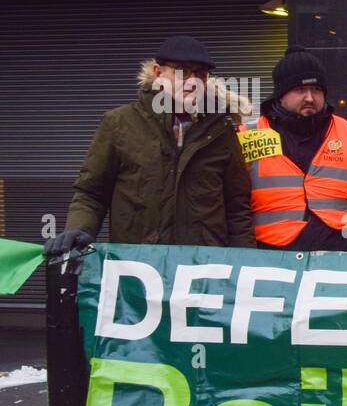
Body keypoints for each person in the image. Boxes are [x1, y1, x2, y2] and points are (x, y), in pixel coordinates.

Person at [45, 35, 253, 256]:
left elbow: (237, 208)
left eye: (200, 74)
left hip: (200, 272)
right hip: (136, 268)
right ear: (157, 72)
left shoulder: (221, 131)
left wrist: (245, 263)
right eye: (181, 71)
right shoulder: (120, 124)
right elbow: (91, 193)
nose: (192, 81)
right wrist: (79, 230)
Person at [241, 47, 347, 254]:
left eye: (316, 89)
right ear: (280, 95)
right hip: (269, 262)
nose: (309, 97)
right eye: (299, 90)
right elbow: (233, 208)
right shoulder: (246, 136)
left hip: (344, 260)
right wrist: (243, 256)